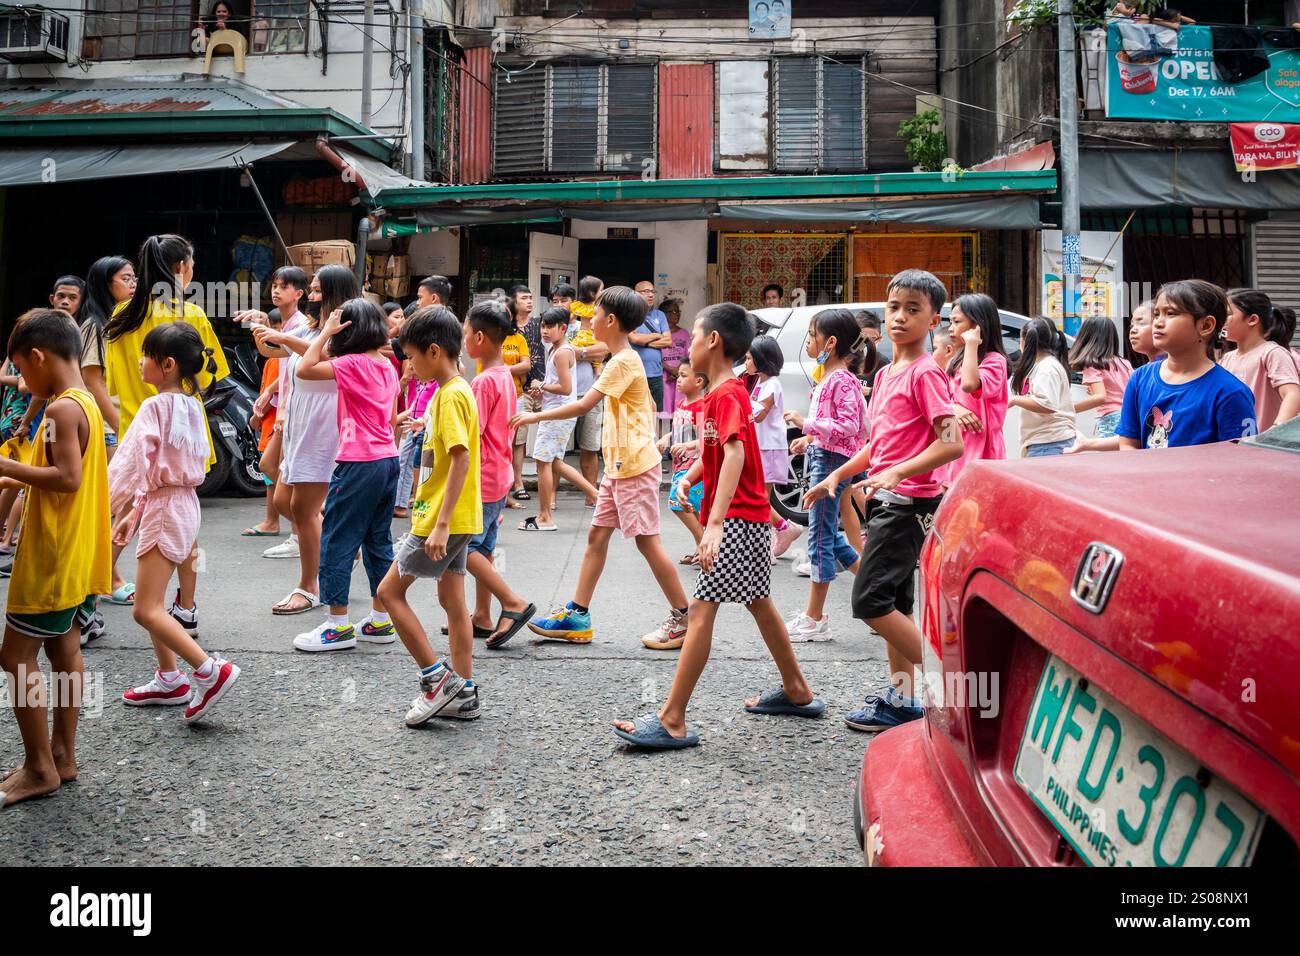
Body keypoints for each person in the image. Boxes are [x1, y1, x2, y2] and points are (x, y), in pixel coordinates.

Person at [612, 303, 825, 748]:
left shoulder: (728, 394)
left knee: (702, 610)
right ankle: (797, 690)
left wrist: (712, 524)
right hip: (742, 519)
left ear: (713, 342)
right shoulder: (719, 395)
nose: (687, 344)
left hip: (735, 520)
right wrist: (690, 477)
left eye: (693, 336)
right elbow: (718, 453)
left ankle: (672, 719)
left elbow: (736, 455)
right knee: (759, 603)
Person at [802, 269, 962, 733]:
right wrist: (837, 474)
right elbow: (879, 443)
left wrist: (896, 471)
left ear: (934, 321)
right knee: (897, 603)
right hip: (888, 499)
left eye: (914, 309)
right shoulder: (889, 371)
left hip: (908, 504)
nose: (901, 316)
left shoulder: (926, 373)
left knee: (870, 602)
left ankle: (958, 687)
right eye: (894, 307)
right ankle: (903, 699)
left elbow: (950, 443)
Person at [512, 287, 691, 648]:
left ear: (610, 321)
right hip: (620, 465)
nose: (589, 321)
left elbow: (581, 406)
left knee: (647, 544)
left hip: (634, 465)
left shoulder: (622, 361)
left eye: (595, 314)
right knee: (596, 537)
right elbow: (598, 359)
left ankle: (684, 616)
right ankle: (578, 615)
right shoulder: (618, 355)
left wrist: (533, 416)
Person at [0, 310, 110, 806]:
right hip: (74, 552)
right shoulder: (81, 402)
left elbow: (67, 479)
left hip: (50, 556)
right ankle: (62, 756)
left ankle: (38, 766)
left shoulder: (62, 410)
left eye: (22, 371)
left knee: (14, 655)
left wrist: (3, 464)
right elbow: (55, 469)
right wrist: (14, 472)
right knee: (63, 649)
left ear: (40, 356)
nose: (22, 383)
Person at [113, 322, 240, 720]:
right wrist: (135, 510)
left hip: (165, 508)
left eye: (146, 355)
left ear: (166, 365)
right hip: (181, 505)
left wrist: (100, 504)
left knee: (145, 608)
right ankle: (169, 679)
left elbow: (131, 463)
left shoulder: (154, 407)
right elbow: (166, 465)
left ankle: (209, 671)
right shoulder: (190, 403)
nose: (139, 361)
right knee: (155, 600)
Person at [104, 234, 228, 629]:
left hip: (134, 435)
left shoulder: (120, 317)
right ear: (181, 269)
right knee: (184, 525)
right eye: (191, 264)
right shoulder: (191, 316)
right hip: (181, 442)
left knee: (121, 516)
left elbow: (109, 381)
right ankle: (185, 605)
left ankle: (92, 595)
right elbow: (211, 380)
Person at [377, 308, 483, 725]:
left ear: (435, 351)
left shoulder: (452, 394)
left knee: (389, 594)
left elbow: (460, 457)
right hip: (454, 516)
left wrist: (439, 523)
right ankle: (465, 690)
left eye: (412, 356)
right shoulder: (450, 391)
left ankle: (436, 680)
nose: (409, 365)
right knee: (452, 600)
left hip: (442, 519)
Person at [288, 299, 401, 652]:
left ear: (347, 330)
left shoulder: (351, 364)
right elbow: (393, 419)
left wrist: (324, 333)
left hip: (358, 463)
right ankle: (381, 620)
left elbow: (304, 370)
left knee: (337, 538)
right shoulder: (387, 365)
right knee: (377, 540)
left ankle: (337, 625)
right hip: (388, 460)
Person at [247, 266, 352, 614]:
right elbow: (279, 355)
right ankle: (335, 555)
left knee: (303, 509)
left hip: (323, 425)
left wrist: (285, 339)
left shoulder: (344, 329)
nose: (311, 293)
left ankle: (310, 586)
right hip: (298, 421)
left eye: (318, 289)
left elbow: (323, 355)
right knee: (285, 501)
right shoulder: (309, 328)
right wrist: (262, 332)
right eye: (311, 287)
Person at [782, 309, 869, 640]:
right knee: (829, 536)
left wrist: (806, 424)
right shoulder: (829, 377)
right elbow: (836, 427)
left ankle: (815, 617)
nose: (808, 341)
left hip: (833, 464)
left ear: (830, 342)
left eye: (812, 335)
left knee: (819, 537)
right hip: (825, 457)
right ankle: (874, 592)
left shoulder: (841, 380)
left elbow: (849, 426)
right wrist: (809, 439)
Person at [458, 302, 536, 649]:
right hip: (499, 470)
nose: (462, 340)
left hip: (484, 473)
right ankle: (481, 614)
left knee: (466, 550)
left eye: (464, 334)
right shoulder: (504, 375)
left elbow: (470, 435)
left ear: (478, 337)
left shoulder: (483, 382)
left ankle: (512, 602)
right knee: (485, 547)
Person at [1115, 281, 1257, 449]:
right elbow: (1128, 444)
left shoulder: (1230, 392)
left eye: (1170, 313)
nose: (1158, 323)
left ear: (1205, 325)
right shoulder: (1139, 378)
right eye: (1156, 314)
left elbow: (1240, 460)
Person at [78, 256, 136, 599]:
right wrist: (122, 426)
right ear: (105, 284)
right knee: (118, 503)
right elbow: (93, 381)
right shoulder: (94, 325)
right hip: (104, 424)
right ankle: (108, 577)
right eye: (125, 279)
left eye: (134, 278)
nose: (133, 284)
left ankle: (104, 574)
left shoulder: (117, 321)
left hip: (115, 422)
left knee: (119, 504)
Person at [243, 266, 308, 536]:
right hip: (286, 408)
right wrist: (260, 327)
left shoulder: (301, 325)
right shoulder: (289, 324)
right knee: (270, 467)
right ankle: (305, 529)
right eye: (275, 285)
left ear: (299, 293)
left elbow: (296, 373)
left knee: (279, 471)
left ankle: (304, 530)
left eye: (284, 286)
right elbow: (275, 354)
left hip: (293, 410)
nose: (276, 290)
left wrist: (281, 408)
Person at [521, 308, 599, 531]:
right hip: (559, 412)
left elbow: (565, 388)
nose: (544, 331)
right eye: (543, 326)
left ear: (563, 328)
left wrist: (542, 386)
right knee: (553, 462)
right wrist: (544, 391)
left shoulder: (563, 352)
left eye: (549, 327)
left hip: (558, 415)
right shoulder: (558, 350)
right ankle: (597, 494)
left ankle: (545, 516)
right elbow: (561, 387)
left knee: (543, 463)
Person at [746, 335, 801, 558]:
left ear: (762, 359)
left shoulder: (772, 384)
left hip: (768, 448)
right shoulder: (761, 382)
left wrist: (740, 401)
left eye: (749, 358)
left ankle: (780, 532)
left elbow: (758, 415)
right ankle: (781, 530)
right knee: (757, 497)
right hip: (761, 446)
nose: (746, 362)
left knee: (758, 497)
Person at [944, 292, 1009, 481]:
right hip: (952, 453)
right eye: (950, 322)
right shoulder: (954, 362)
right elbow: (942, 399)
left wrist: (972, 343)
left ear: (977, 324)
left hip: (982, 458)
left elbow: (969, 384)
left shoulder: (995, 361)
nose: (950, 328)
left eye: (957, 322)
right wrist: (953, 408)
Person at [1220, 288, 1300, 431]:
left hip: (1264, 446)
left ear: (1252, 320)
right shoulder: (1227, 358)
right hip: (1236, 444)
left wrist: (1276, 430)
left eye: (1227, 315)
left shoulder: (1272, 353)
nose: (1222, 321)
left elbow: (1292, 393)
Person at [658, 361, 707, 572]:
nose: (678, 379)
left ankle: (705, 545)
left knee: (677, 503)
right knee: (690, 507)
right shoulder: (681, 404)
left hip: (695, 467)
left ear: (699, 381)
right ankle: (701, 548)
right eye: (678, 375)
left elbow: (706, 440)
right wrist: (667, 438)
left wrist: (688, 445)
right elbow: (678, 431)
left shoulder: (701, 406)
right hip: (681, 466)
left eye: (684, 376)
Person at [1009, 317, 1077, 457]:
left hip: (1049, 443)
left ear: (1024, 342)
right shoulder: (1043, 365)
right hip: (1046, 442)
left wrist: (1014, 399)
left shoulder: (1046, 367)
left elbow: (1046, 404)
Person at [566, 275, 607, 498]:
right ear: (592, 292)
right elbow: (560, 348)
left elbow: (604, 347)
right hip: (566, 391)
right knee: (558, 449)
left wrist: (580, 352)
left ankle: (592, 495)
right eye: (601, 289)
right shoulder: (571, 315)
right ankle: (549, 498)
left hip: (592, 391)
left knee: (590, 446)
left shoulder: (603, 313)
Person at [1070, 316, 1133, 438]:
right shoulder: (1124, 363)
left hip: (1109, 418)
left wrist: (1068, 410)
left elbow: (1100, 397)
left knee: (1107, 457)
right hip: (1128, 416)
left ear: (1086, 338)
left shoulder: (1092, 363)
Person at [631, 281, 671, 418]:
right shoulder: (630, 315)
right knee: (635, 415)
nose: (650, 295)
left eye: (652, 292)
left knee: (656, 415)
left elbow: (668, 341)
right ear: (635, 294)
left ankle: (654, 440)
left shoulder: (659, 315)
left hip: (656, 375)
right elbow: (634, 339)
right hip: (635, 374)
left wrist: (644, 341)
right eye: (646, 291)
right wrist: (656, 335)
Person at [658, 298, 691, 421]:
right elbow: (654, 356)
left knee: (679, 412)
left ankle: (675, 438)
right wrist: (669, 369)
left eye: (678, 312)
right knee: (662, 414)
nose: (677, 315)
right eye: (674, 312)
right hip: (663, 377)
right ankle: (662, 439)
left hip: (679, 376)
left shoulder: (684, 333)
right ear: (664, 314)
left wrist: (677, 370)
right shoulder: (657, 334)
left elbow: (688, 354)